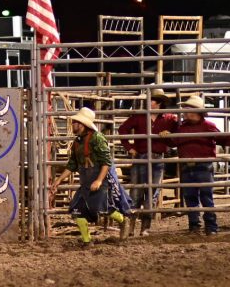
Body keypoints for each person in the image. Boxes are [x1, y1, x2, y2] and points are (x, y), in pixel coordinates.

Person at [49, 106, 133, 244]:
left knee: (103, 208)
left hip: (100, 178)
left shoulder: (97, 138)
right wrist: (59, 180)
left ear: (83, 124)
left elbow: (106, 162)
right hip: (86, 180)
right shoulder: (77, 142)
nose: (73, 124)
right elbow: (72, 164)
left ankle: (123, 220)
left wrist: (99, 181)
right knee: (77, 211)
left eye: (76, 122)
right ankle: (87, 241)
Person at [117, 89, 179, 235]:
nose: (148, 102)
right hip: (141, 156)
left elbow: (177, 137)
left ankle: (145, 228)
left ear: (159, 103)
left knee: (152, 194)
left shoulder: (170, 119)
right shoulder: (140, 117)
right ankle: (131, 228)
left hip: (157, 157)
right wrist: (129, 148)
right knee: (136, 193)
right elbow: (122, 129)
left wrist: (170, 136)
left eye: (152, 99)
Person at [175, 95, 230, 235]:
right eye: (185, 109)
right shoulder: (181, 127)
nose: (185, 112)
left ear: (197, 111)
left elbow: (223, 139)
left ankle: (211, 226)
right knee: (190, 197)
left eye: (188, 109)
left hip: (203, 166)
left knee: (206, 196)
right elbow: (173, 142)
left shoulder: (208, 126)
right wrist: (166, 136)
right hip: (186, 165)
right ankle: (195, 226)